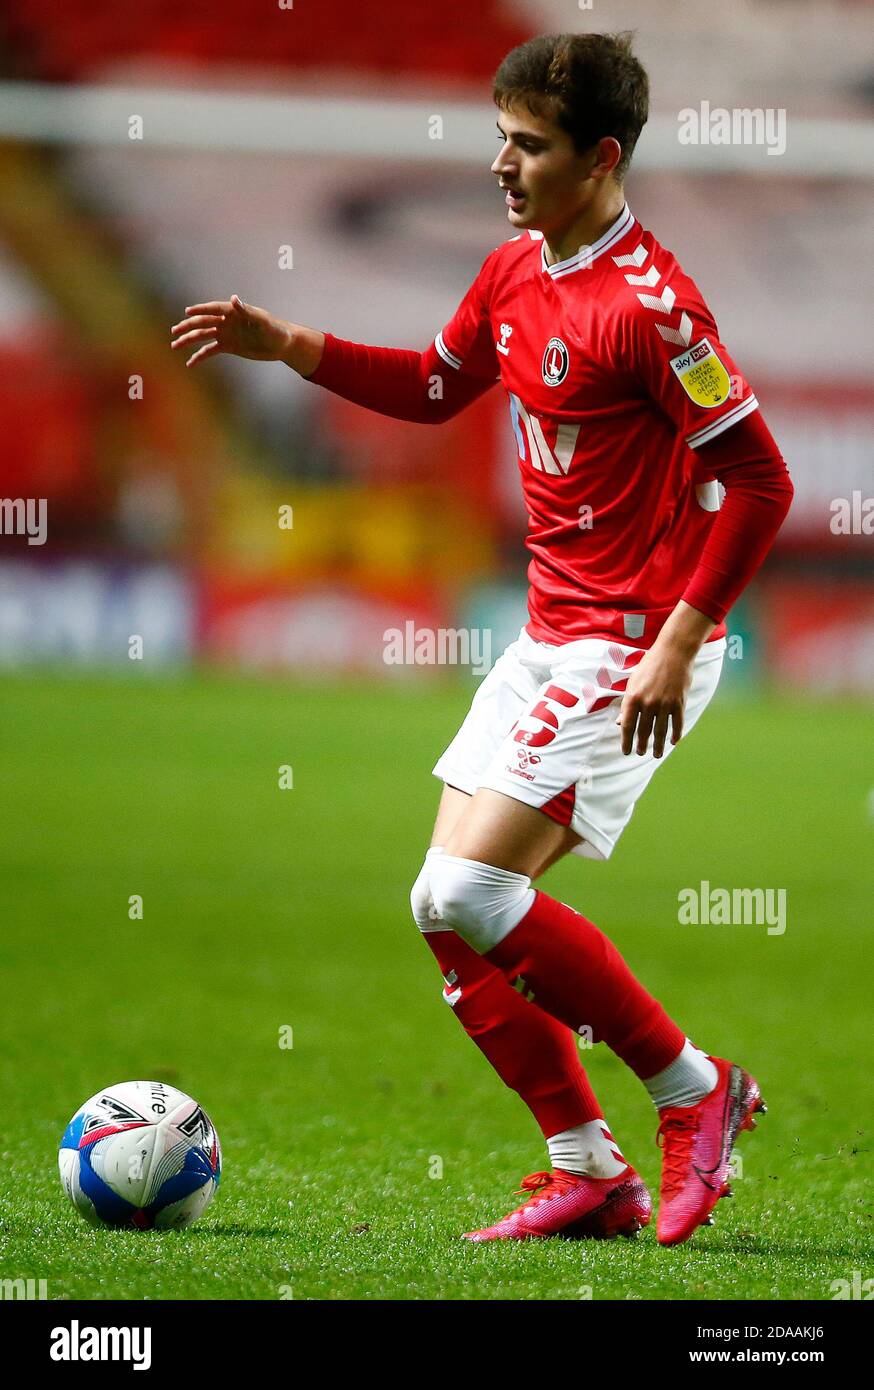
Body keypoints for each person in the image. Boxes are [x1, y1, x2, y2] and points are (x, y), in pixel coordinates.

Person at [170, 31, 793, 1246]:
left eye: (529, 144)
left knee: (472, 885)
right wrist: (291, 345)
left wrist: (682, 637)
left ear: (601, 158)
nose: (499, 164)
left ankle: (695, 1091)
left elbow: (759, 481)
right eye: (499, 137)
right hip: (548, 634)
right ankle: (590, 1170)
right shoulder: (515, 271)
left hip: (632, 643)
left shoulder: (657, 312)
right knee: (441, 904)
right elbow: (437, 385)